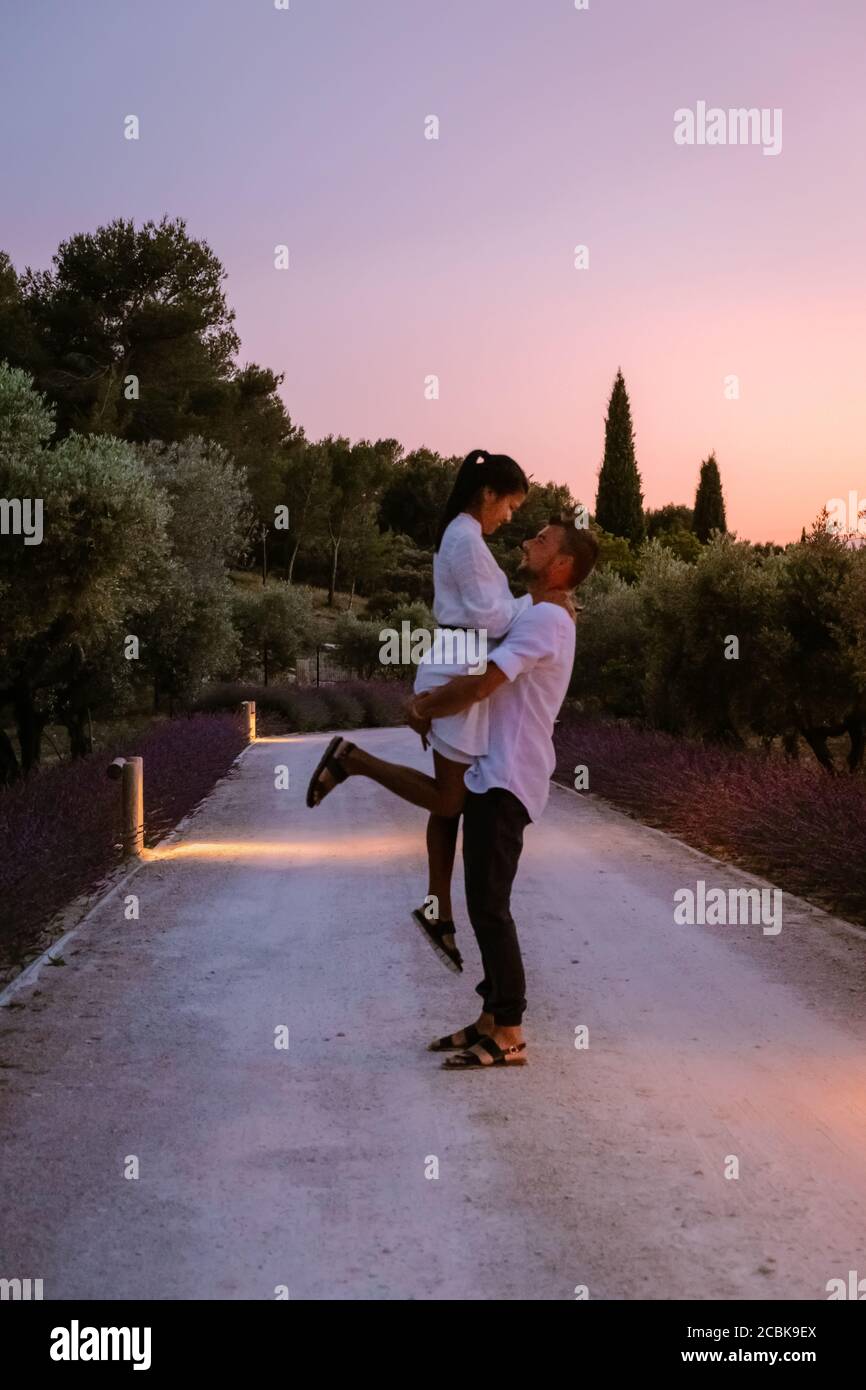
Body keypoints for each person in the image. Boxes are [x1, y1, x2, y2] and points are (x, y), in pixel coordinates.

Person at [306, 519, 599, 1068]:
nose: (525, 543)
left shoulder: (547, 621)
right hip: (492, 769)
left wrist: (425, 707)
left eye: (540, 541)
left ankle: (509, 1031)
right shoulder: (536, 611)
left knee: (491, 906)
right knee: (482, 901)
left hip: (510, 776)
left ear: (561, 566)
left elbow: (484, 682)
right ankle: (491, 1017)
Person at [309, 447, 534, 975]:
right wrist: (535, 606)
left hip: (458, 658)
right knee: (450, 797)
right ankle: (352, 760)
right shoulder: (465, 539)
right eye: (511, 505)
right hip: (459, 661)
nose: (510, 517)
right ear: (488, 494)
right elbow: (491, 616)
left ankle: (438, 910)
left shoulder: (464, 536)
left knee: (449, 802)